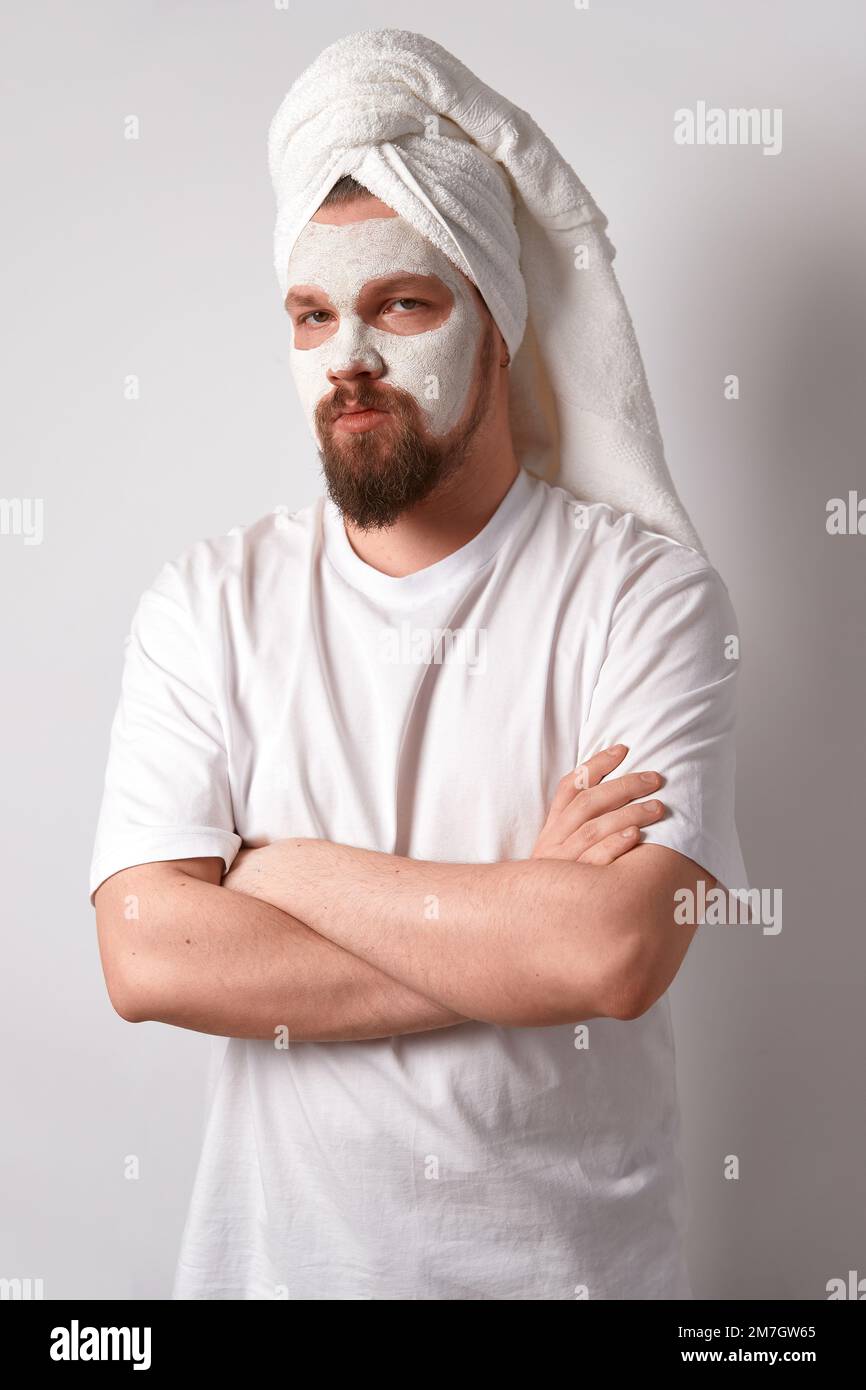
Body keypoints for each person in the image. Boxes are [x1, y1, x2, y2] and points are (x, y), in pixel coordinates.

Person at [90, 31, 748, 1301]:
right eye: (312, 314)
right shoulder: (207, 603)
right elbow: (148, 955)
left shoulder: (645, 596)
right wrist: (512, 926)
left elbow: (610, 951)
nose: (349, 357)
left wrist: (279, 871)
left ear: (499, 323)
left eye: (401, 303)